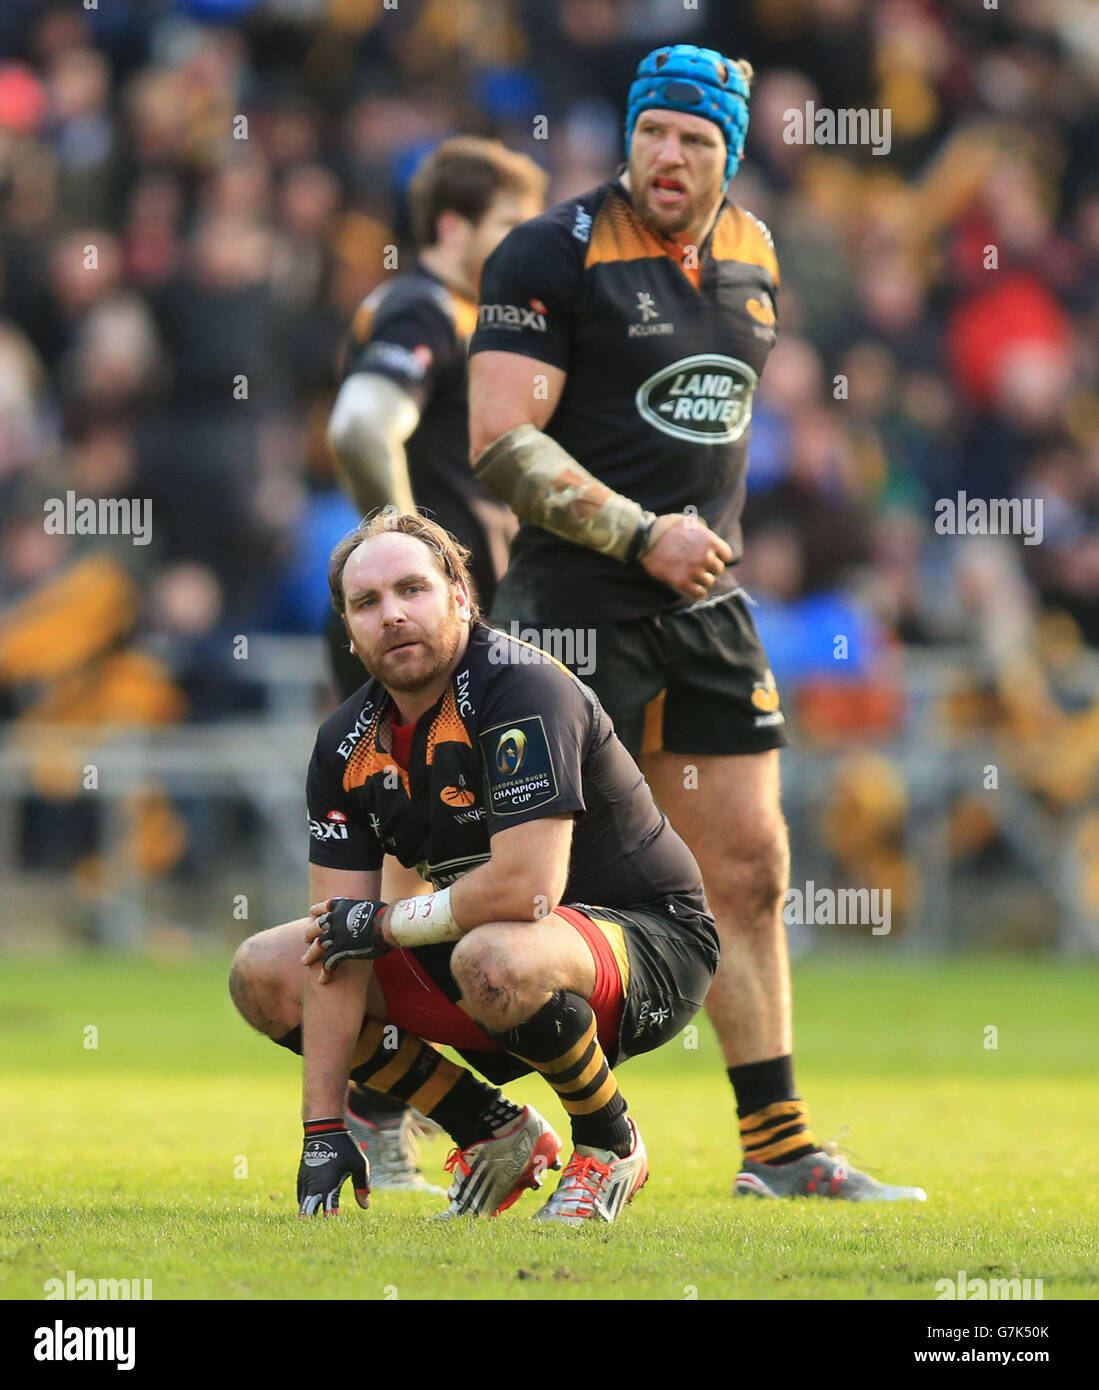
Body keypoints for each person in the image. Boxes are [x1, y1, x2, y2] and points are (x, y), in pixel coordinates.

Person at [467, 44, 925, 1201]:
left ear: (731, 154)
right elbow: (499, 441)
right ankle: (442, 1112)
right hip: (574, 604)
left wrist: (702, 535)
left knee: (753, 864)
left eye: (695, 140)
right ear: (627, 135)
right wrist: (636, 530)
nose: (667, 157)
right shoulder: (546, 253)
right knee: (526, 884)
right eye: (652, 132)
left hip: (702, 600)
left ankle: (775, 1145)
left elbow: (703, 427)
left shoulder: (758, 255)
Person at [227, 511, 720, 1223]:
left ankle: (610, 1143)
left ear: (459, 595)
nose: (392, 615)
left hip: (650, 947)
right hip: (490, 957)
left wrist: (386, 924)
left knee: (494, 953)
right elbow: (332, 941)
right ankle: (493, 1131)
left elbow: (527, 889)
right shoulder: (343, 744)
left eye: (412, 590)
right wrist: (322, 1128)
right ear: (347, 626)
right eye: (367, 603)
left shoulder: (521, 687)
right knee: (265, 972)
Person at [322, 137, 547, 1189]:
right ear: (455, 228)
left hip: (426, 631)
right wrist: (405, 551)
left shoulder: (470, 326)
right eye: (507, 230)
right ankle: (374, 1114)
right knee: (399, 874)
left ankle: (389, 1106)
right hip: (415, 636)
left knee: (417, 875)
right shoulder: (424, 309)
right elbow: (362, 421)